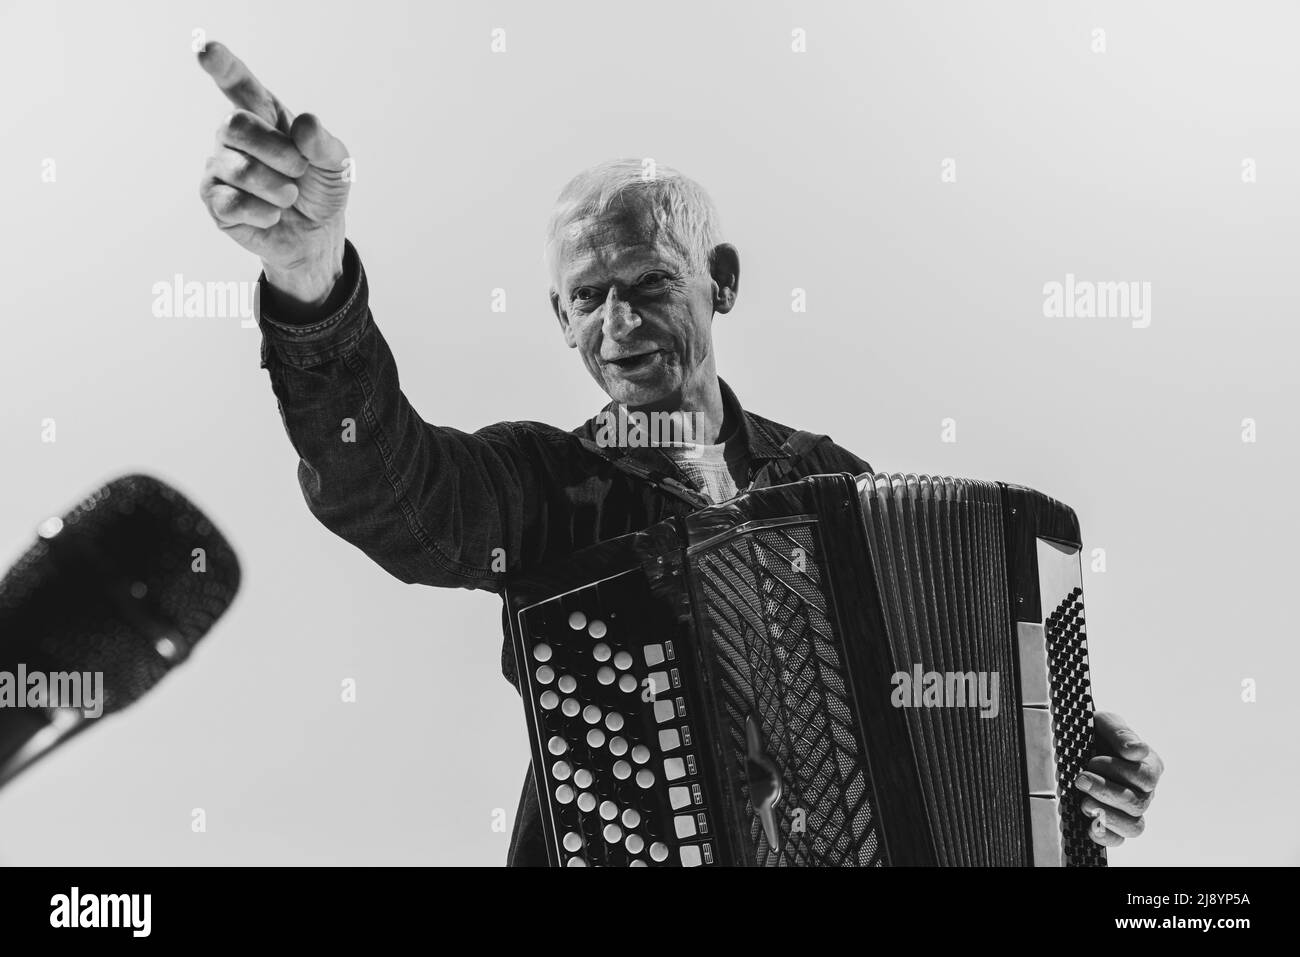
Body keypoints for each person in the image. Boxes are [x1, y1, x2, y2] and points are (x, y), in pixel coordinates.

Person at [195, 41, 1164, 866]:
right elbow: (385, 489)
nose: (616, 324)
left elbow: (937, 711)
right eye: (586, 297)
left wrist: (1058, 748)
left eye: (649, 281)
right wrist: (308, 277)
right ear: (559, 318)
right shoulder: (539, 487)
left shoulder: (833, 482)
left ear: (722, 282)